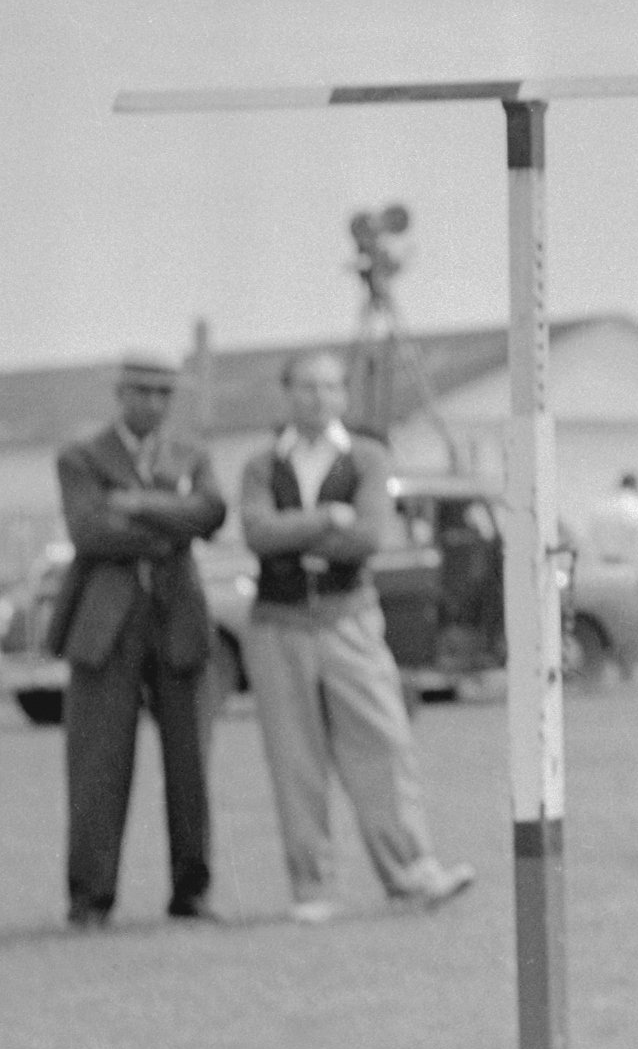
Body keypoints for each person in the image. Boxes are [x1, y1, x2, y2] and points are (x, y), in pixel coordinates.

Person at [236, 352, 474, 921]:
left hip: (350, 618)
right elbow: (257, 533)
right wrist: (325, 520)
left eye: (328, 387)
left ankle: (412, 873)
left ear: (344, 394)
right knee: (296, 759)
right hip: (279, 625)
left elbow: (368, 535)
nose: (317, 398)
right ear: (287, 393)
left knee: (383, 744)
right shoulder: (262, 465)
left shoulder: (367, 457)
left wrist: (304, 534)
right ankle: (312, 888)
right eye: (305, 386)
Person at [52, 354, 228, 928]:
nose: (153, 404)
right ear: (120, 393)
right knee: (98, 768)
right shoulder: (81, 455)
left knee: (190, 767)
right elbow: (90, 530)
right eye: (143, 392)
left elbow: (210, 513)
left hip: (178, 621)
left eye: (163, 394)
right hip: (105, 628)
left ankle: (192, 893)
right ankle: (90, 900)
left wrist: (138, 506)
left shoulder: (191, 452)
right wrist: (169, 526)